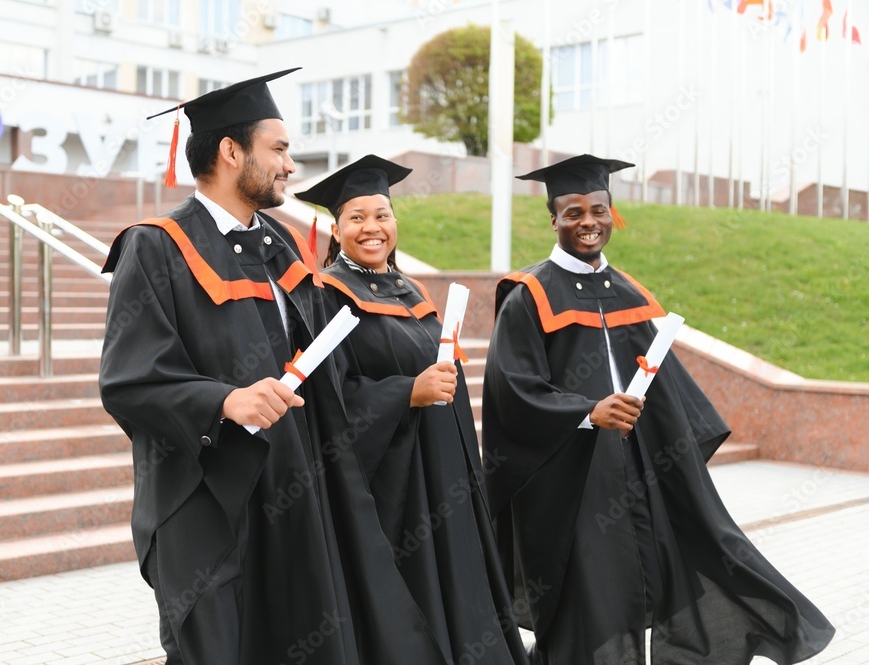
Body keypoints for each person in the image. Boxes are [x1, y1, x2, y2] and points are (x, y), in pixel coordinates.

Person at [99, 71, 448, 664]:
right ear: (232, 153)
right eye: (279, 150)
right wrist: (222, 401)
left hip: (292, 495)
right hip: (207, 505)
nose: (290, 166)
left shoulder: (282, 245)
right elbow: (130, 381)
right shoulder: (157, 246)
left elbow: (328, 374)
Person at [483, 154, 835, 665]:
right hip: (570, 479)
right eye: (574, 212)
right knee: (584, 600)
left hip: (637, 474)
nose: (589, 222)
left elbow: (665, 386)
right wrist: (586, 411)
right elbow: (512, 389)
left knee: (652, 579)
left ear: (612, 212)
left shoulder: (629, 293)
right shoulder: (529, 295)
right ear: (553, 218)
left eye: (598, 210)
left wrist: (680, 454)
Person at [294, 154, 529, 665]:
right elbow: (329, 399)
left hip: (444, 475)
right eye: (357, 218)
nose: (372, 228)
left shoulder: (412, 292)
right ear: (336, 228)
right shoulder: (327, 296)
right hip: (393, 489)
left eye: (382, 215)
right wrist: (406, 393)